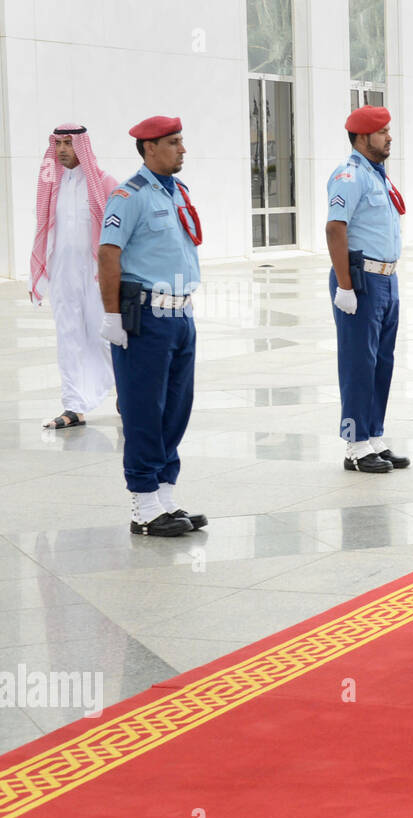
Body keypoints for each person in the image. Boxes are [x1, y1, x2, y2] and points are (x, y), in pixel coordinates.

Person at [97, 115, 205, 537]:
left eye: (182, 140)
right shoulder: (129, 196)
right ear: (149, 149)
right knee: (145, 409)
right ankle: (143, 506)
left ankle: (164, 496)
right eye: (174, 142)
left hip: (180, 313)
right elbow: (108, 255)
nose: (182, 149)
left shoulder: (179, 191)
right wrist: (111, 316)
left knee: (176, 408)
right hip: (144, 315)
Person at [325, 105, 409, 475]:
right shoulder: (349, 175)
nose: (389, 137)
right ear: (362, 138)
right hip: (360, 279)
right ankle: (354, 444)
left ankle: (373, 434)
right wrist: (345, 285)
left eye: (389, 130)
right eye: (382, 132)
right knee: (359, 363)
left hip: (386, 278)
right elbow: (334, 228)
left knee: (381, 361)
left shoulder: (378, 176)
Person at [30, 123, 117, 430]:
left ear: (82, 145)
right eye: (58, 143)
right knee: (68, 338)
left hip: (95, 275)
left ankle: (125, 393)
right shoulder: (53, 187)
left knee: (104, 336)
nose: (63, 149)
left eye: (69, 142)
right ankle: (73, 407)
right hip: (63, 274)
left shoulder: (104, 183)